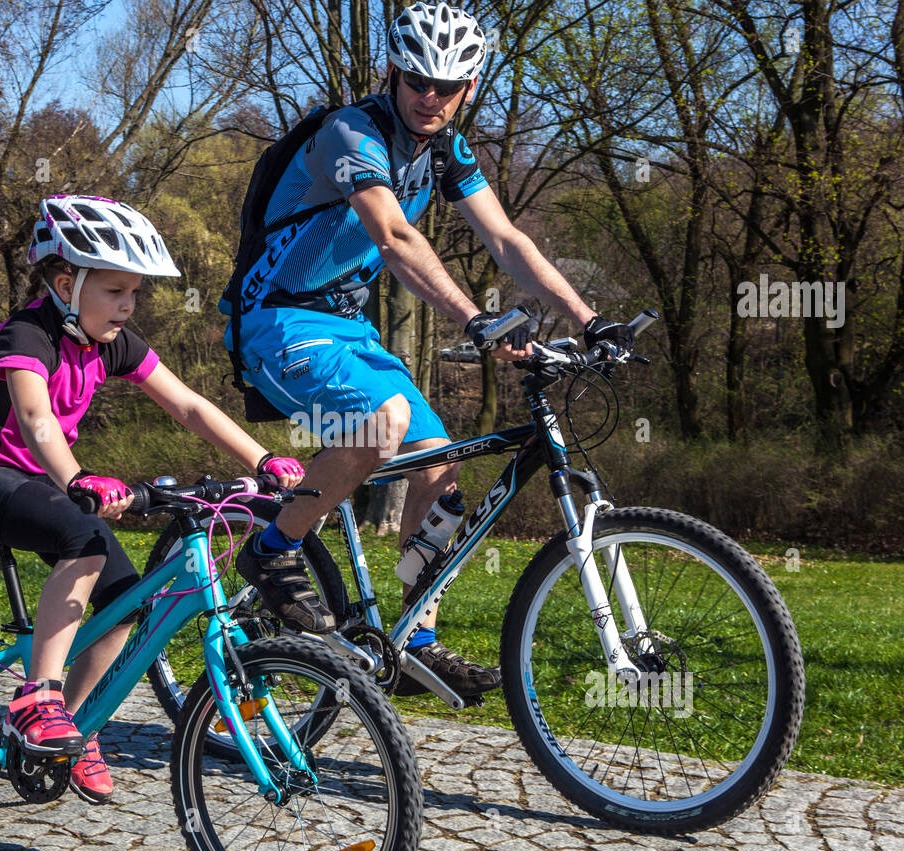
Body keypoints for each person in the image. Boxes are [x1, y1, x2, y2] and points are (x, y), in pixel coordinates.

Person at [223, 2, 634, 698]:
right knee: (381, 425)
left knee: (439, 467)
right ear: (394, 72)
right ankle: (272, 549)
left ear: (469, 87)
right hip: (277, 321)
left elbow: (508, 241)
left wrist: (589, 317)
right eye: (417, 80)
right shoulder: (351, 131)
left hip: (347, 327)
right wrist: (476, 319)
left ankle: (414, 640)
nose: (429, 97)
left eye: (447, 86)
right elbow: (393, 236)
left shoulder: (448, 150)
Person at [0, 195, 305, 803]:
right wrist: (79, 478)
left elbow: (186, 403)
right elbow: (35, 419)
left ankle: (70, 727)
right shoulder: (29, 334)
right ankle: (38, 699)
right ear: (64, 283)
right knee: (81, 541)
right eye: (114, 291)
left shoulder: (112, 342)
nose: (128, 305)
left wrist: (259, 460)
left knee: (125, 602)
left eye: (135, 292)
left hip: (45, 484)